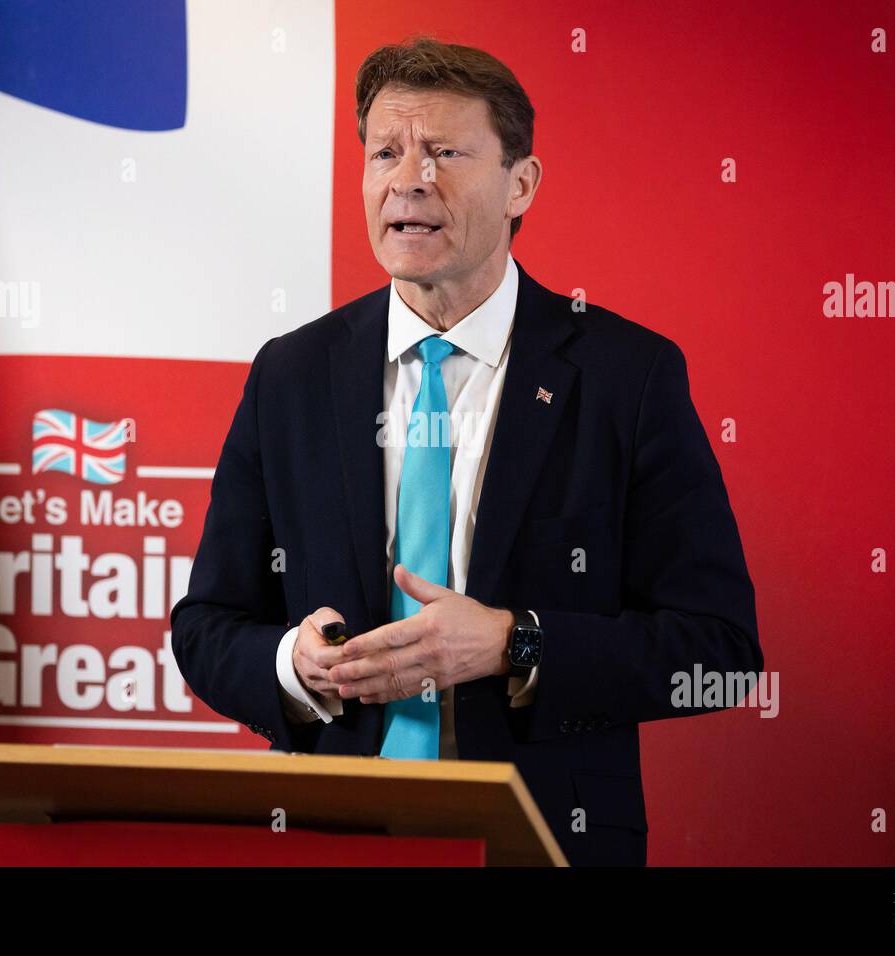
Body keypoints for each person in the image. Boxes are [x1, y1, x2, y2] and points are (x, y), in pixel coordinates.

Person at [170, 36, 761, 867]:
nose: (409, 177)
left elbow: (720, 652)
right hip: (329, 839)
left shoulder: (628, 375)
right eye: (386, 152)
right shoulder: (291, 374)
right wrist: (295, 666)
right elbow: (207, 626)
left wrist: (517, 643)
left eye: (445, 151)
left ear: (522, 184)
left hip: (548, 841)